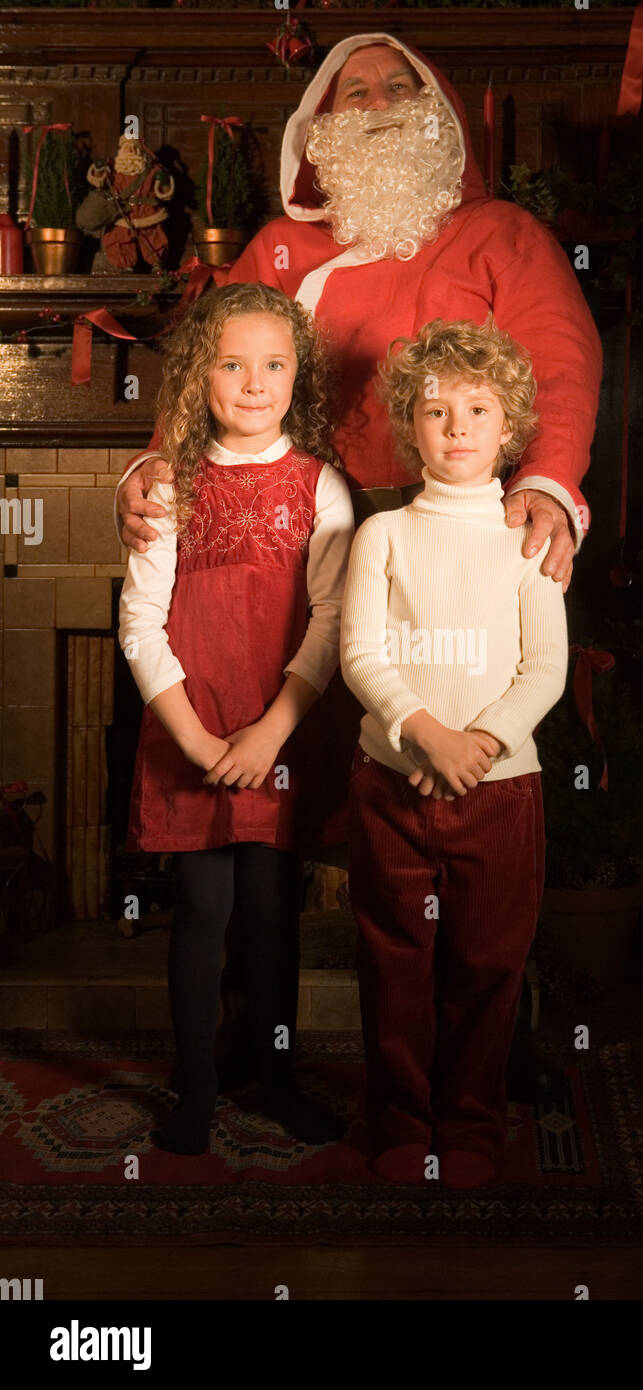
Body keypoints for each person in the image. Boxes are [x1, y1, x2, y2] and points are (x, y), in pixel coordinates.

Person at [114, 32, 602, 1090]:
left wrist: (545, 485)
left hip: (459, 533)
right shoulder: (280, 251)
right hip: (299, 541)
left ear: (437, 113)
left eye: (397, 86)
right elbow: (212, 359)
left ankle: (484, 1049)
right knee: (294, 802)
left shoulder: (499, 234)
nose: (377, 102)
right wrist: (155, 469)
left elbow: (559, 364)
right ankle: (258, 1045)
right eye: (353, 91)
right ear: (317, 130)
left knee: (460, 780)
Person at [118, 282, 355, 1154]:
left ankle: (278, 1077)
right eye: (230, 363)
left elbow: (332, 622)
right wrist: (197, 741)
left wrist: (267, 736)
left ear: (298, 376)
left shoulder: (323, 487)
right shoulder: (165, 487)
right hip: (193, 730)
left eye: (274, 364)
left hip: (279, 733)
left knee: (271, 913)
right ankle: (201, 1086)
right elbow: (140, 623)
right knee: (203, 912)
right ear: (197, 374)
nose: (254, 383)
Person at [341, 317, 567, 1188]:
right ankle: (400, 1121)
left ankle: (470, 1126)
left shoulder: (528, 540)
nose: (460, 425)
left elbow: (544, 666)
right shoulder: (383, 535)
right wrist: (423, 732)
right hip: (392, 784)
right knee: (396, 961)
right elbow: (363, 652)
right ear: (413, 428)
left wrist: (481, 743)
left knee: (486, 962)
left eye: (479, 409)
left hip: (501, 793)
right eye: (438, 411)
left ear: (508, 427)